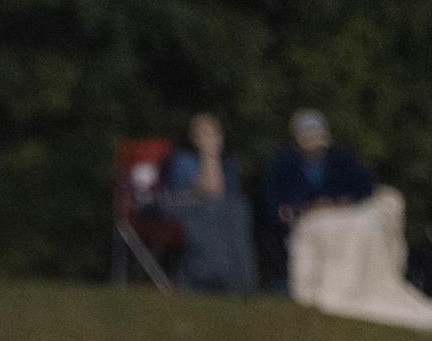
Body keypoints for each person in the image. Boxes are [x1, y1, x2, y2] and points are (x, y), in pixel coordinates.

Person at [263, 110, 375, 277]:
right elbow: (275, 200)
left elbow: (364, 188)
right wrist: (292, 212)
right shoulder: (284, 164)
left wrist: (341, 202)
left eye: (317, 135)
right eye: (307, 136)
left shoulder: (342, 160)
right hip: (305, 220)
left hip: (340, 217)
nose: (314, 141)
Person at [161, 113, 255, 294]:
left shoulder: (228, 162)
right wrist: (209, 155)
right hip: (184, 210)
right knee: (212, 212)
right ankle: (208, 277)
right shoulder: (182, 160)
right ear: (193, 137)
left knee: (240, 210)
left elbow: (228, 195)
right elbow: (210, 189)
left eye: (212, 133)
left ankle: (238, 279)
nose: (208, 138)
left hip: (221, 213)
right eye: (202, 133)